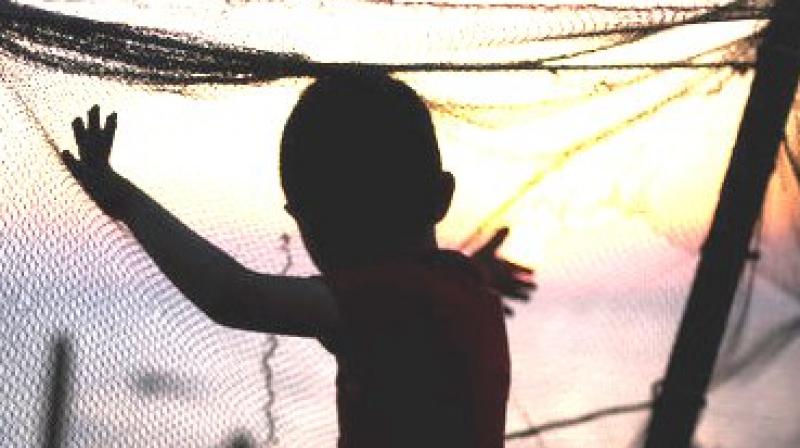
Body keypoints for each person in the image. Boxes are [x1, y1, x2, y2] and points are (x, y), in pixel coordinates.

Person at [61, 72, 535, 447]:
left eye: (329, 218)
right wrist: (480, 270)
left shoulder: (394, 296)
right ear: (440, 197)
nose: (340, 253)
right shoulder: (460, 288)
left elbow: (233, 295)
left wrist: (124, 201)